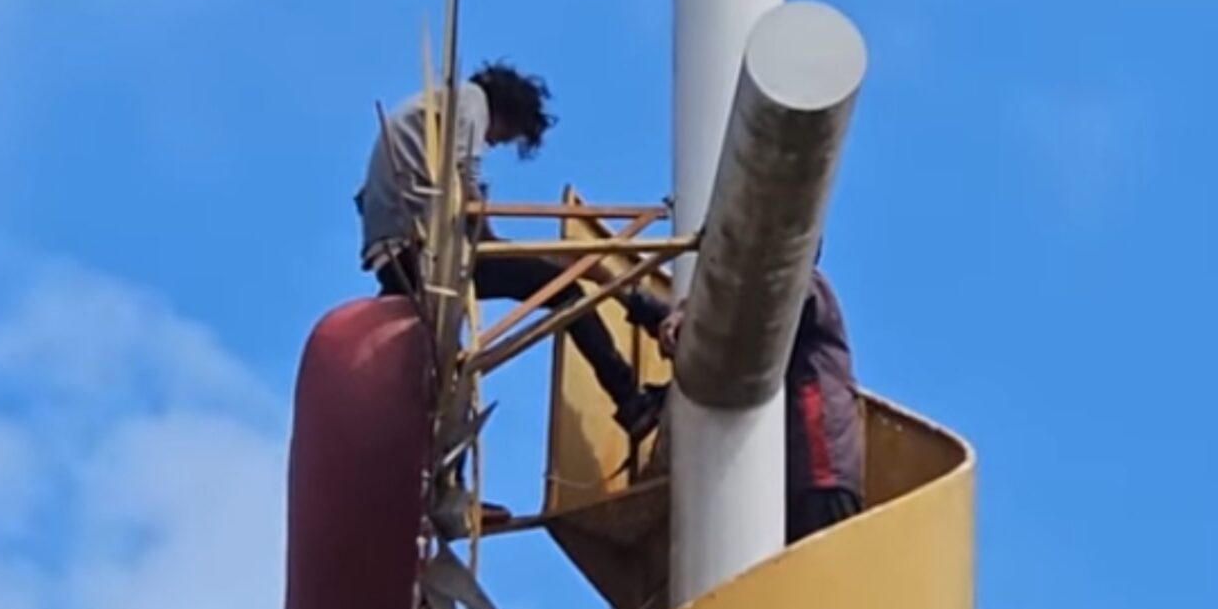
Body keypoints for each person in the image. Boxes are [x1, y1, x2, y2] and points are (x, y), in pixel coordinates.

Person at [357, 61, 666, 438]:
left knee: (562, 266)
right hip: (422, 252)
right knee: (564, 288)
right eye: (504, 135)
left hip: (403, 256)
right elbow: (463, 175)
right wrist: (490, 235)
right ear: (506, 111)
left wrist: (492, 239)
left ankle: (640, 306)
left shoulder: (434, 106)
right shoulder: (470, 100)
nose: (495, 142)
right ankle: (630, 397)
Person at [623, 256, 865, 540]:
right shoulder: (782, 322)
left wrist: (685, 313)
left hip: (820, 471)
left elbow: (747, 310)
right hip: (802, 475)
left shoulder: (807, 286)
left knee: (821, 569)